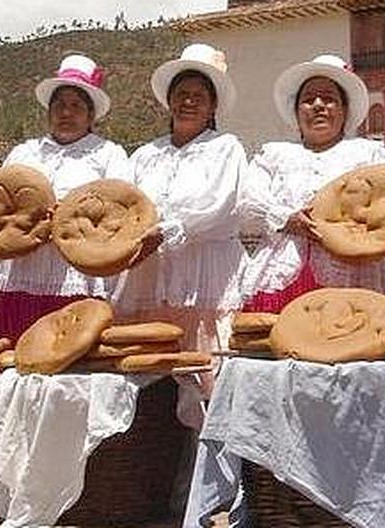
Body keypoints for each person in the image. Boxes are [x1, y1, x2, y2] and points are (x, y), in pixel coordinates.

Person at [113, 43, 248, 428]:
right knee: (145, 369)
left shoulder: (225, 149)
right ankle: (153, 468)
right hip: (149, 274)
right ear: (169, 101)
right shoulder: (143, 156)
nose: (189, 102)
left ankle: (215, 477)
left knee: (210, 373)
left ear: (213, 106)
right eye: (181, 94)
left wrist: (167, 230)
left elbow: (220, 205)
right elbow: (126, 207)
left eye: (199, 96)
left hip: (207, 275)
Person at [236, 54, 385, 312]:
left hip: (354, 273)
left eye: (329, 99)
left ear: (344, 109)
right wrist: (287, 218)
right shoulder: (274, 155)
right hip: (284, 273)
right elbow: (248, 204)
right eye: (308, 100)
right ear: (296, 111)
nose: (318, 105)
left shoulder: (370, 155)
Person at [0, 53, 128, 344]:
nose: (66, 112)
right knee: (17, 352)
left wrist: (70, 219)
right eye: (59, 105)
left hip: (77, 270)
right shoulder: (25, 153)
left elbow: (118, 210)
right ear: (48, 111)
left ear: (91, 115)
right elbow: (0, 199)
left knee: (68, 352)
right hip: (25, 267)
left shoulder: (108, 155)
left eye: (76, 106)